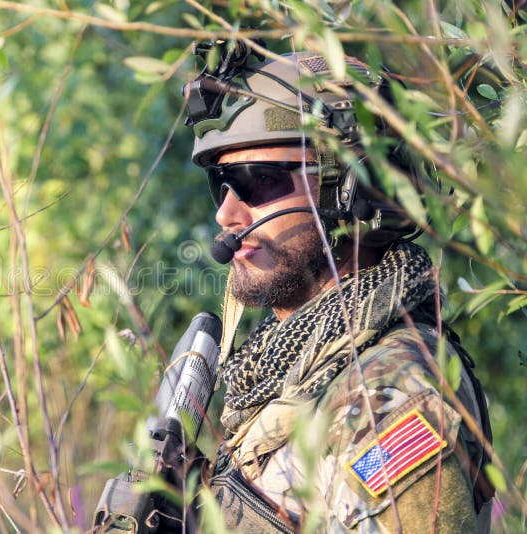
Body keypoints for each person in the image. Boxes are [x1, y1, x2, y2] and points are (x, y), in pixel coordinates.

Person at [183, 45, 494, 532]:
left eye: (258, 180)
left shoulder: (386, 397)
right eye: (219, 183)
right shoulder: (296, 374)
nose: (227, 214)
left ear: (354, 188)